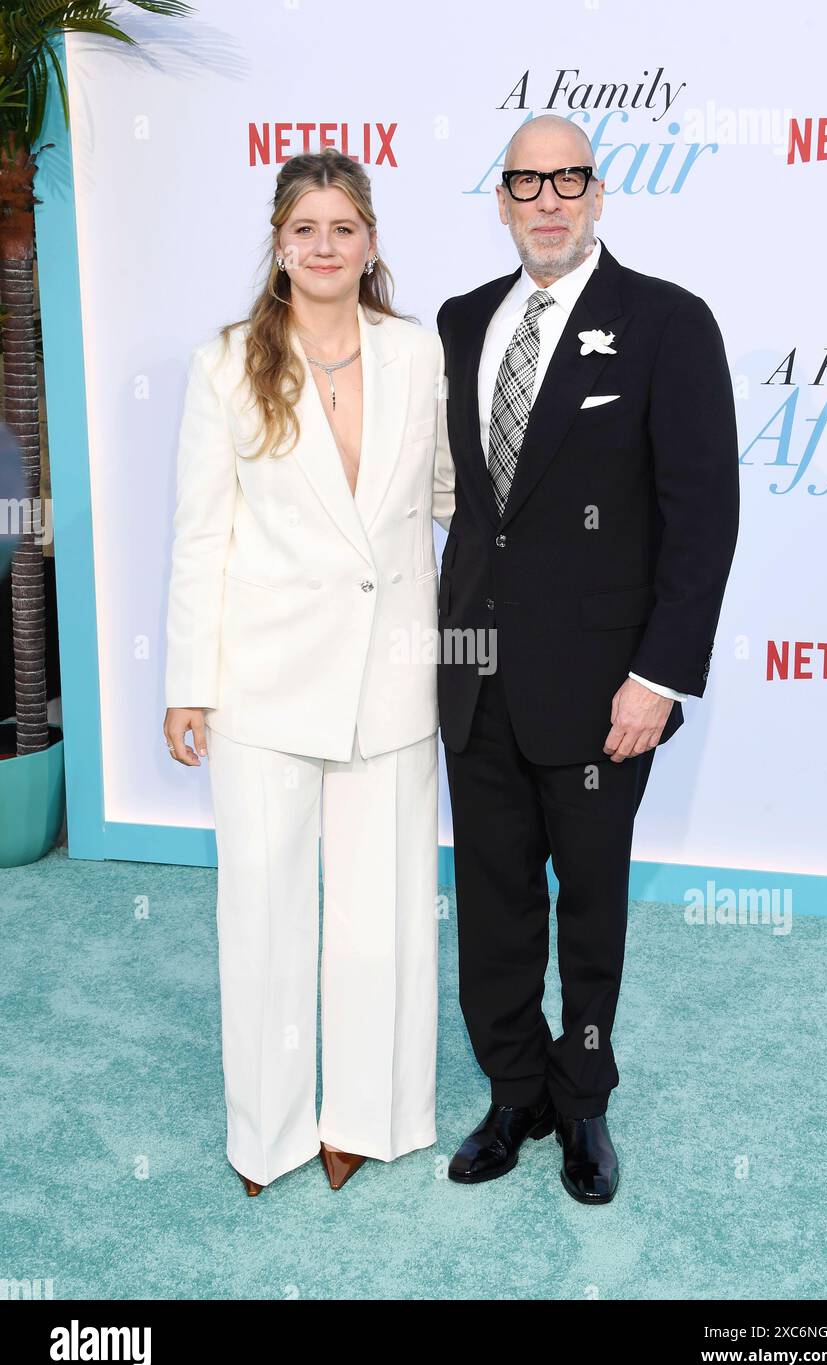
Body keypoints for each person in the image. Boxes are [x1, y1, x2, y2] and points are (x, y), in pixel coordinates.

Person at [435, 114, 740, 1203]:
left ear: (599, 193)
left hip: (606, 688)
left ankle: (583, 1100)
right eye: (527, 182)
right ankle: (513, 1090)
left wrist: (658, 677)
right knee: (491, 899)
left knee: (592, 906)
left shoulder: (666, 321)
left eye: (569, 179)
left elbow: (702, 515)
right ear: (503, 200)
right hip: (472, 669)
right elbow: (467, 510)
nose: (549, 200)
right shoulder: (461, 321)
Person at [162, 147, 455, 1195]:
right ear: (279, 245)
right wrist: (188, 682)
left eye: (343, 228)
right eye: (305, 230)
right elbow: (202, 533)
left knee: (385, 912)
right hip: (263, 678)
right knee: (263, 911)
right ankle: (269, 1131)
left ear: (370, 243)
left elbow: (453, 500)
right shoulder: (225, 362)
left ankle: (371, 1116)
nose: (325, 247)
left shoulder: (416, 352)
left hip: (392, 677)